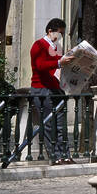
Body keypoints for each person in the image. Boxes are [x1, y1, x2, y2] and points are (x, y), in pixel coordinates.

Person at [30, 17, 75, 164]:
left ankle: (66, 155)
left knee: (61, 125)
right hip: (42, 89)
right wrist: (59, 62)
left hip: (56, 89)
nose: (60, 37)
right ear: (50, 31)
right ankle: (55, 157)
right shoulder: (39, 45)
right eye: (59, 34)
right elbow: (40, 65)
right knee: (49, 126)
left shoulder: (55, 48)